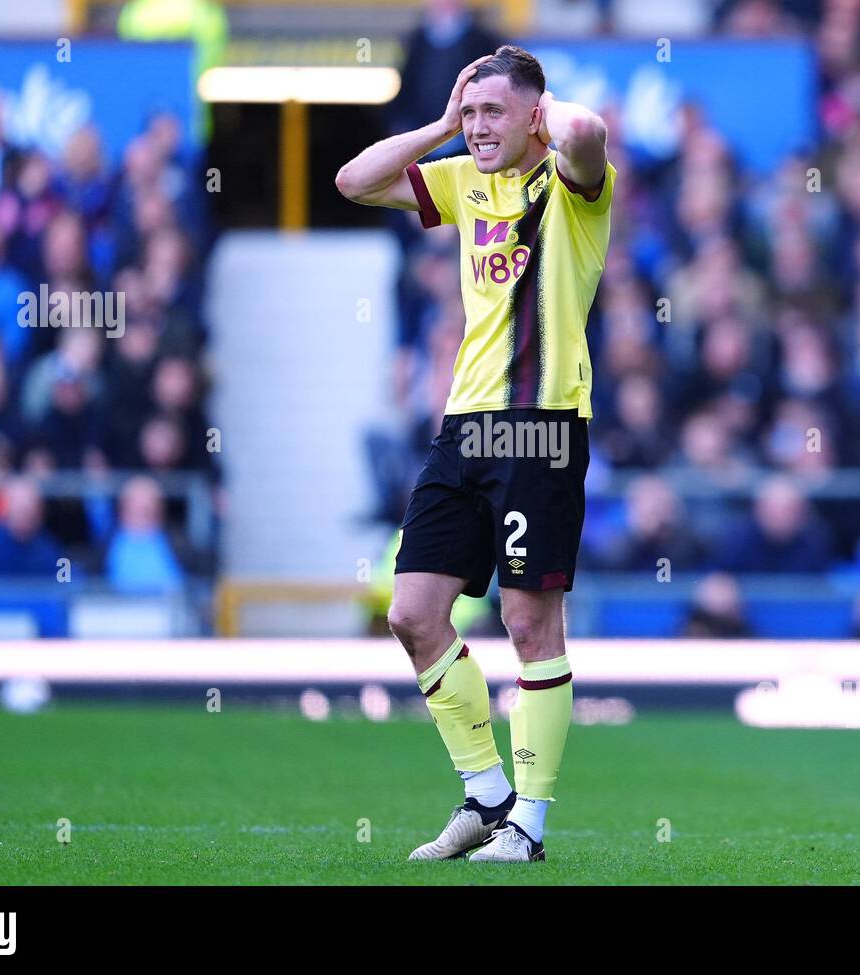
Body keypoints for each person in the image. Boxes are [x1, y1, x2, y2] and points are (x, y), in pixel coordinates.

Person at [336, 46, 613, 863]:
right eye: (473, 112)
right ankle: (486, 794)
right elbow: (353, 180)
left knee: (529, 621)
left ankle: (529, 821)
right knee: (413, 613)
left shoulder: (572, 188)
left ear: (533, 115)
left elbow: (587, 129)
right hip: (465, 426)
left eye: (495, 113)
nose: (479, 127)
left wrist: (540, 109)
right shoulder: (462, 177)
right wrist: (443, 123)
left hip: (543, 425)